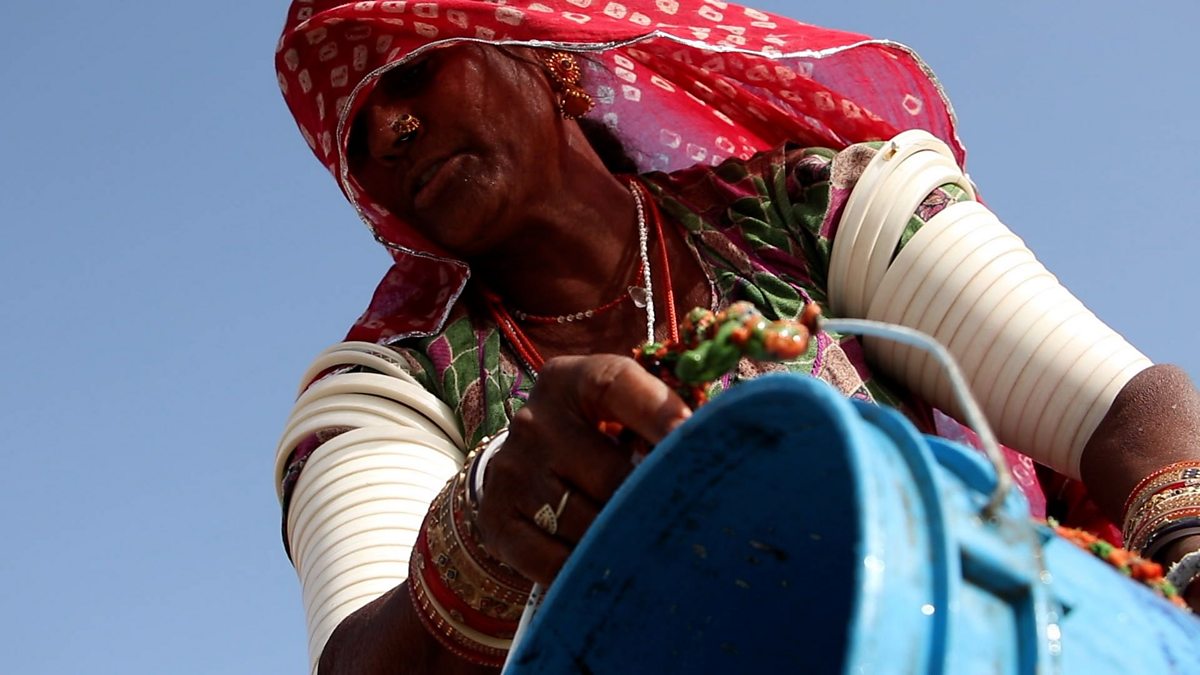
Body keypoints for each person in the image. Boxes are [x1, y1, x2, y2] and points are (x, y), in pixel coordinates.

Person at [272, 1, 1200, 672]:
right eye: (353, 135)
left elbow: (1125, 410)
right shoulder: (386, 391)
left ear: (541, 53)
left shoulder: (818, 210)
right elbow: (358, 656)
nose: (388, 130)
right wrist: (484, 522)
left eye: (413, 70)